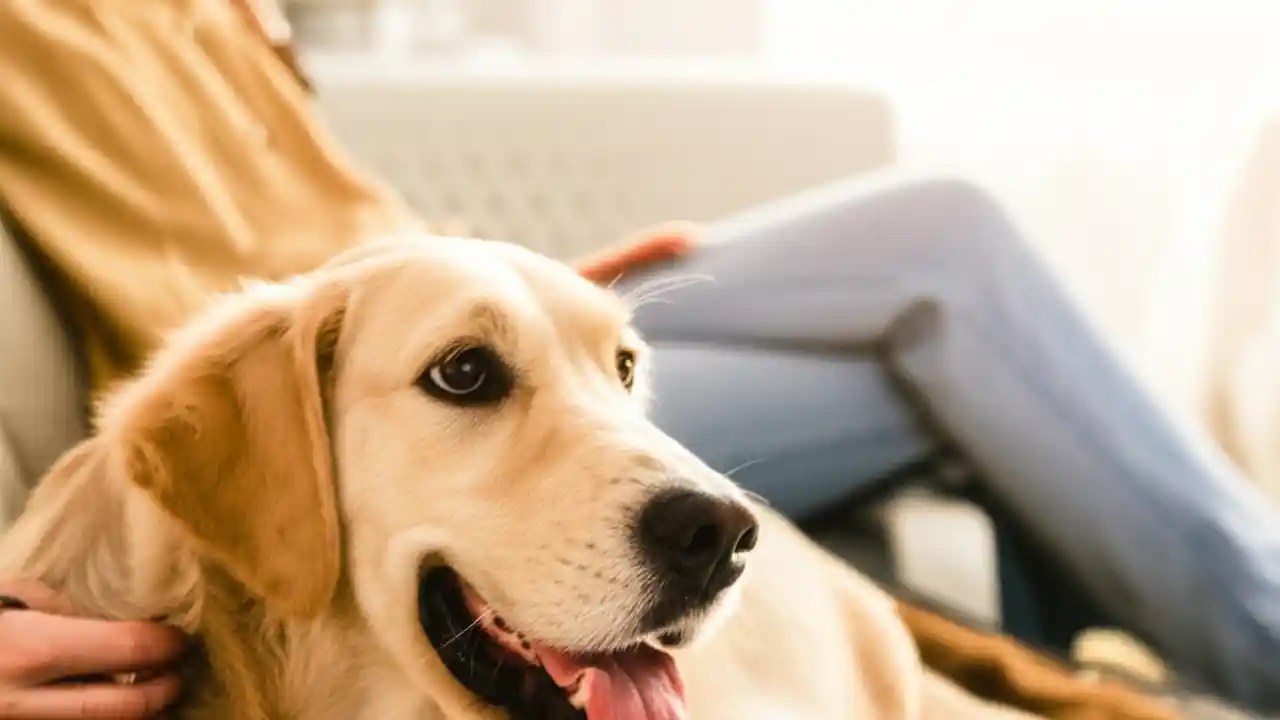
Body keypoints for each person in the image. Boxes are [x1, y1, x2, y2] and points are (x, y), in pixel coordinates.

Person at [0, 1, 1277, 718]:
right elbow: (264, 293)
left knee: (954, 286)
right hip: (304, 388)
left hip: (439, 323)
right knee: (943, 272)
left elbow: (352, 240)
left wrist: (548, 297)